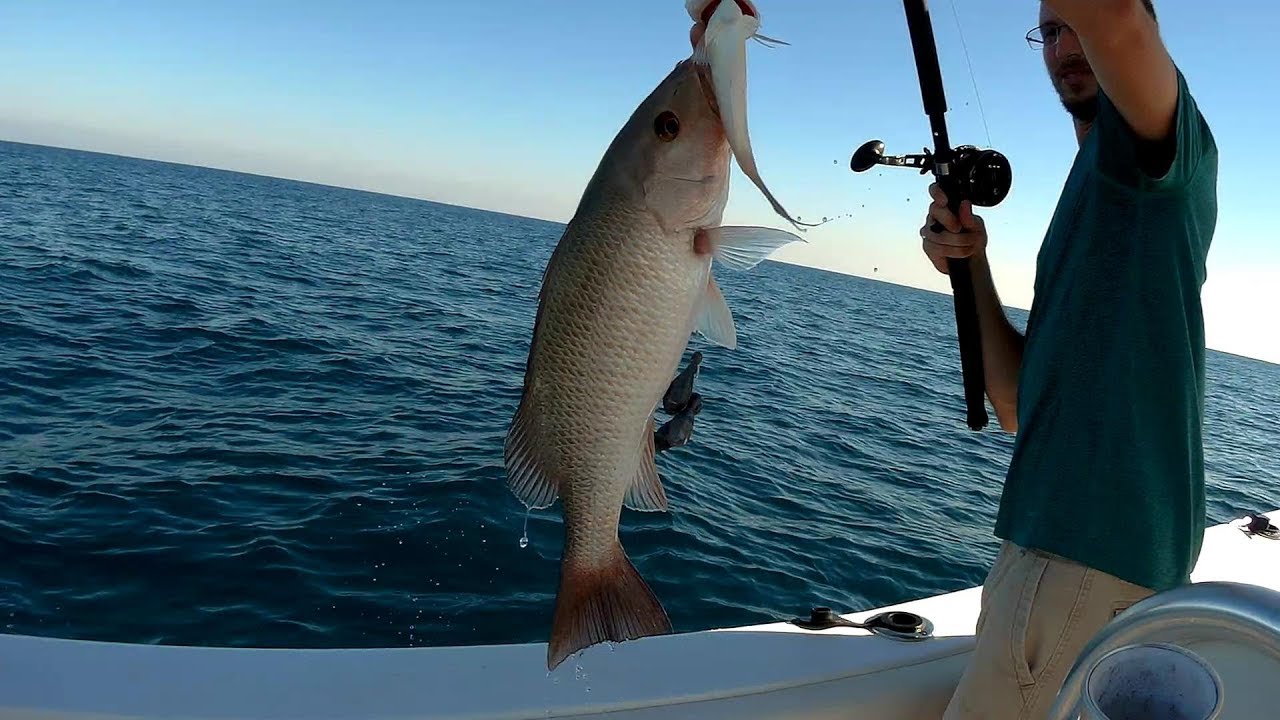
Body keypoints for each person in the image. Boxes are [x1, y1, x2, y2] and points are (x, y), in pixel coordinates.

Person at [920, 1, 1219, 717]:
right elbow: (1019, 405)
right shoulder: (1090, 182)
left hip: (1082, 559)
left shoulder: (1154, 144)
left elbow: (1114, 18)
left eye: (1076, 21)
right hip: (1050, 552)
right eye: (1048, 31)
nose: (1064, 44)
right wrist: (970, 267)